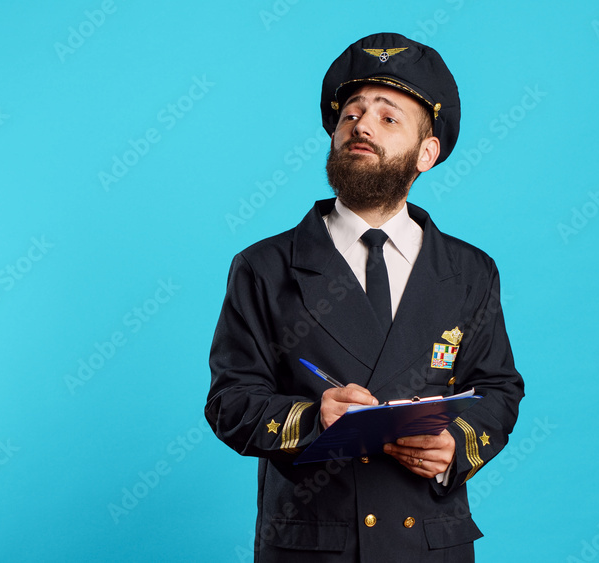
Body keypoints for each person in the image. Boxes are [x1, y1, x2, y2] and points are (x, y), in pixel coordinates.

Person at [205, 33, 524, 562]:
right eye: (351, 113)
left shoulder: (471, 271)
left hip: (429, 546)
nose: (362, 125)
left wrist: (453, 446)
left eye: (388, 117)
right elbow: (229, 403)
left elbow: (498, 389)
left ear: (426, 153)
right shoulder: (263, 267)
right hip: (313, 547)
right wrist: (314, 417)